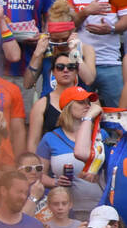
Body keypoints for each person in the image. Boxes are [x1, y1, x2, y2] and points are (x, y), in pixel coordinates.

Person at [57, 0, 127, 105]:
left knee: (116, 116)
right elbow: (64, 27)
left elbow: (125, 20)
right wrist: (86, 12)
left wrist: (110, 29)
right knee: (76, 115)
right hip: (77, 62)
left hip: (109, 61)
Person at [36, 86, 111, 219]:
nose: (87, 106)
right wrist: (55, 182)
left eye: (88, 102)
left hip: (99, 207)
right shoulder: (50, 138)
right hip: (64, 211)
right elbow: (38, 175)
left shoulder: (101, 135)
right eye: (81, 102)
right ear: (67, 107)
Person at [24, 0, 97, 97]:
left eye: (64, 39)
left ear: (73, 32)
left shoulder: (86, 49)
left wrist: (74, 52)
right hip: (49, 104)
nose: (59, 43)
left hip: (76, 104)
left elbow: (89, 80)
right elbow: (27, 84)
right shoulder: (46, 49)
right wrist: (36, 54)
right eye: (55, 39)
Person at [26, 51, 82, 153]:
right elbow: (33, 143)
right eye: (60, 67)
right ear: (53, 72)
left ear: (76, 71)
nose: (65, 70)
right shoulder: (41, 104)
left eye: (71, 67)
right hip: (51, 161)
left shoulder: (90, 100)